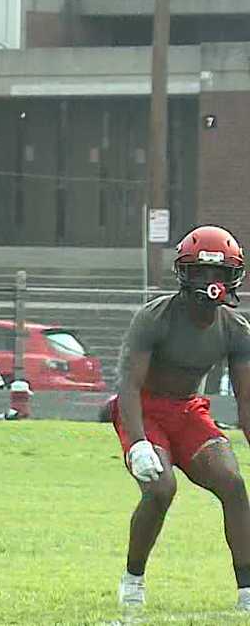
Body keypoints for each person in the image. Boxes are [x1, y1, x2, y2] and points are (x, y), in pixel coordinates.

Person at [111, 225, 250, 613]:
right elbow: (129, 385)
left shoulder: (236, 330)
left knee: (233, 484)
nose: (211, 282)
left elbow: (247, 403)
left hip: (189, 410)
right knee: (160, 488)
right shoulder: (155, 317)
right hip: (145, 409)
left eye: (219, 273)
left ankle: (247, 591)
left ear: (231, 276)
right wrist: (137, 442)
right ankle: (133, 580)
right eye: (201, 272)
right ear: (184, 272)